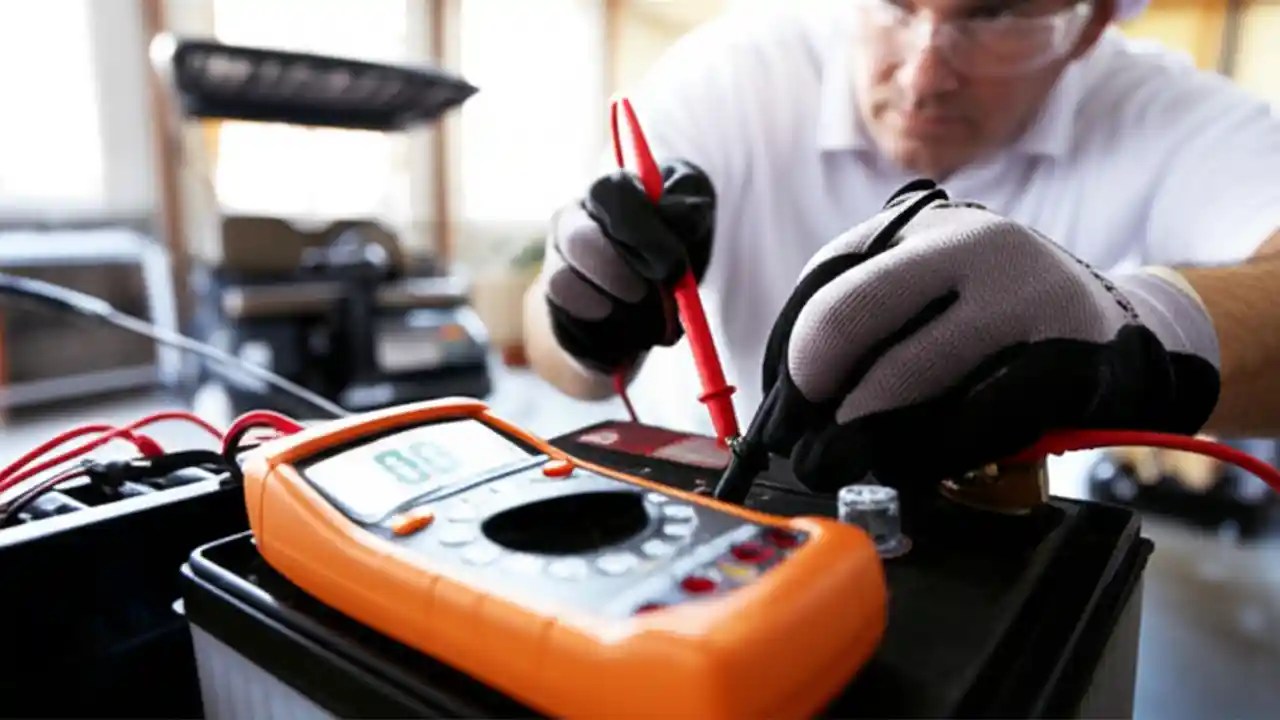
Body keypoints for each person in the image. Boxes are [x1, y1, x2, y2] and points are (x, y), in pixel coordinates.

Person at [523, 0, 1280, 492]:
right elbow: (559, 359)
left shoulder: (1165, 111)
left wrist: (1135, 325)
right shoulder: (731, 72)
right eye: (893, 5)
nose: (922, 76)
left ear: (1092, 23)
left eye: (994, 14)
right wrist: (585, 325)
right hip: (688, 491)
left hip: (991, 541)